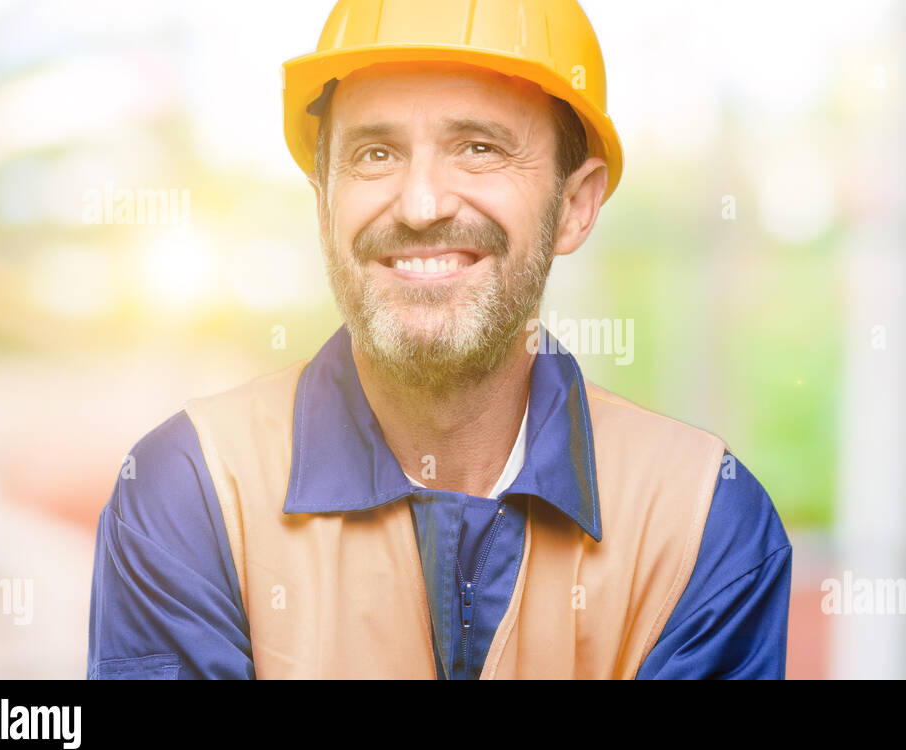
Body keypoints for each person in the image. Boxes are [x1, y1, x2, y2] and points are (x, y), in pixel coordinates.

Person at [87, 0, 792, 679]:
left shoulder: (702, 521)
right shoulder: (192, 493)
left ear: (576, 205)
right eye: (374, 153)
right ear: (324, 200)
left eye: (479, 148)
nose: (421, 205)